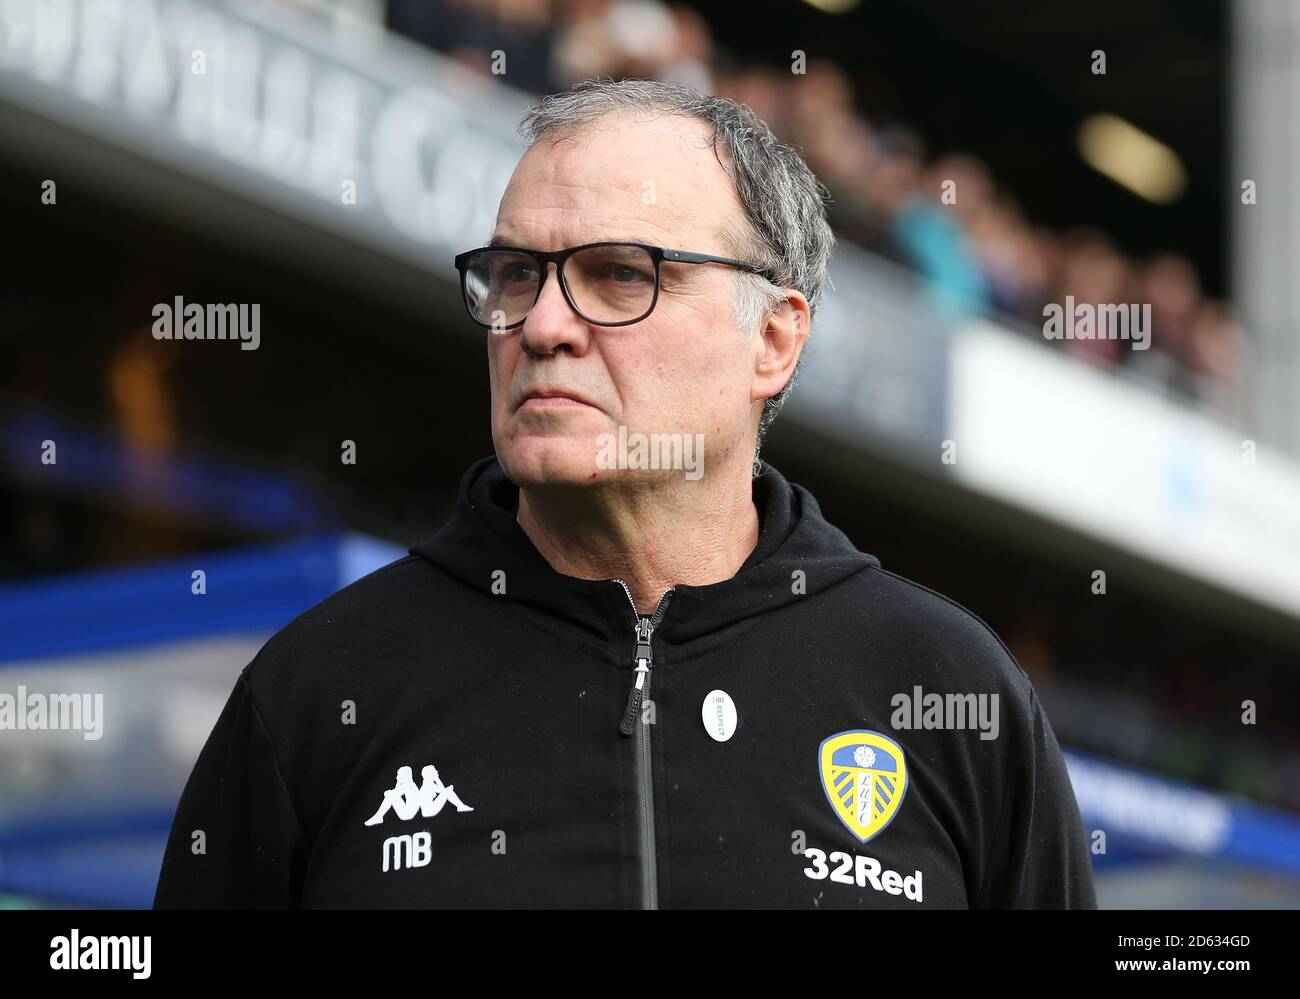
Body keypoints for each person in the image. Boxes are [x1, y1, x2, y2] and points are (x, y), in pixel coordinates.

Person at [154, 78, 1096, 909]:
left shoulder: (948, 691)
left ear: (773, 340)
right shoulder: (320, 689)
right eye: (517, 273)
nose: (545, 325)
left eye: (620, 275)